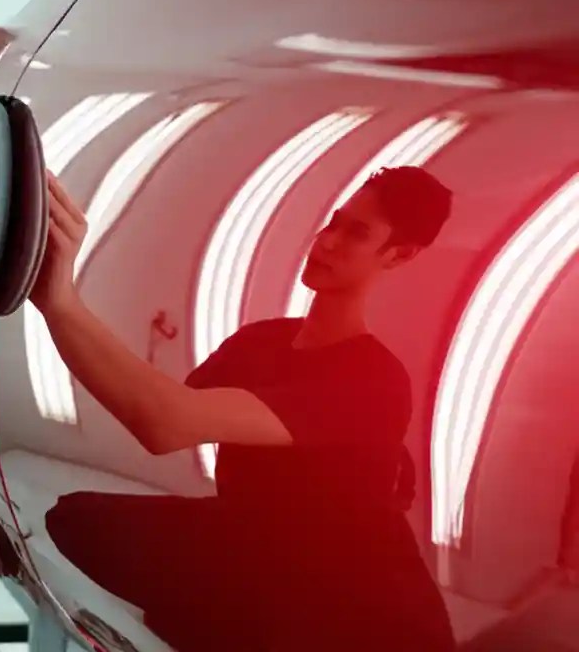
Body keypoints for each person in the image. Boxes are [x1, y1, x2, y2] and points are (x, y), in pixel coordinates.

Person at [32, 165, 458, 649]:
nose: (328, 241)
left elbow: (164, 422)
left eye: (356, 233)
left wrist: (59, 301)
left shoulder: (375, 379)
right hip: (254, 543)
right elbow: (157, 409)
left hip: (351, 604)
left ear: (398, 256)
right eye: (335, 221)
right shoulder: (262, 341)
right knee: (76, 520)